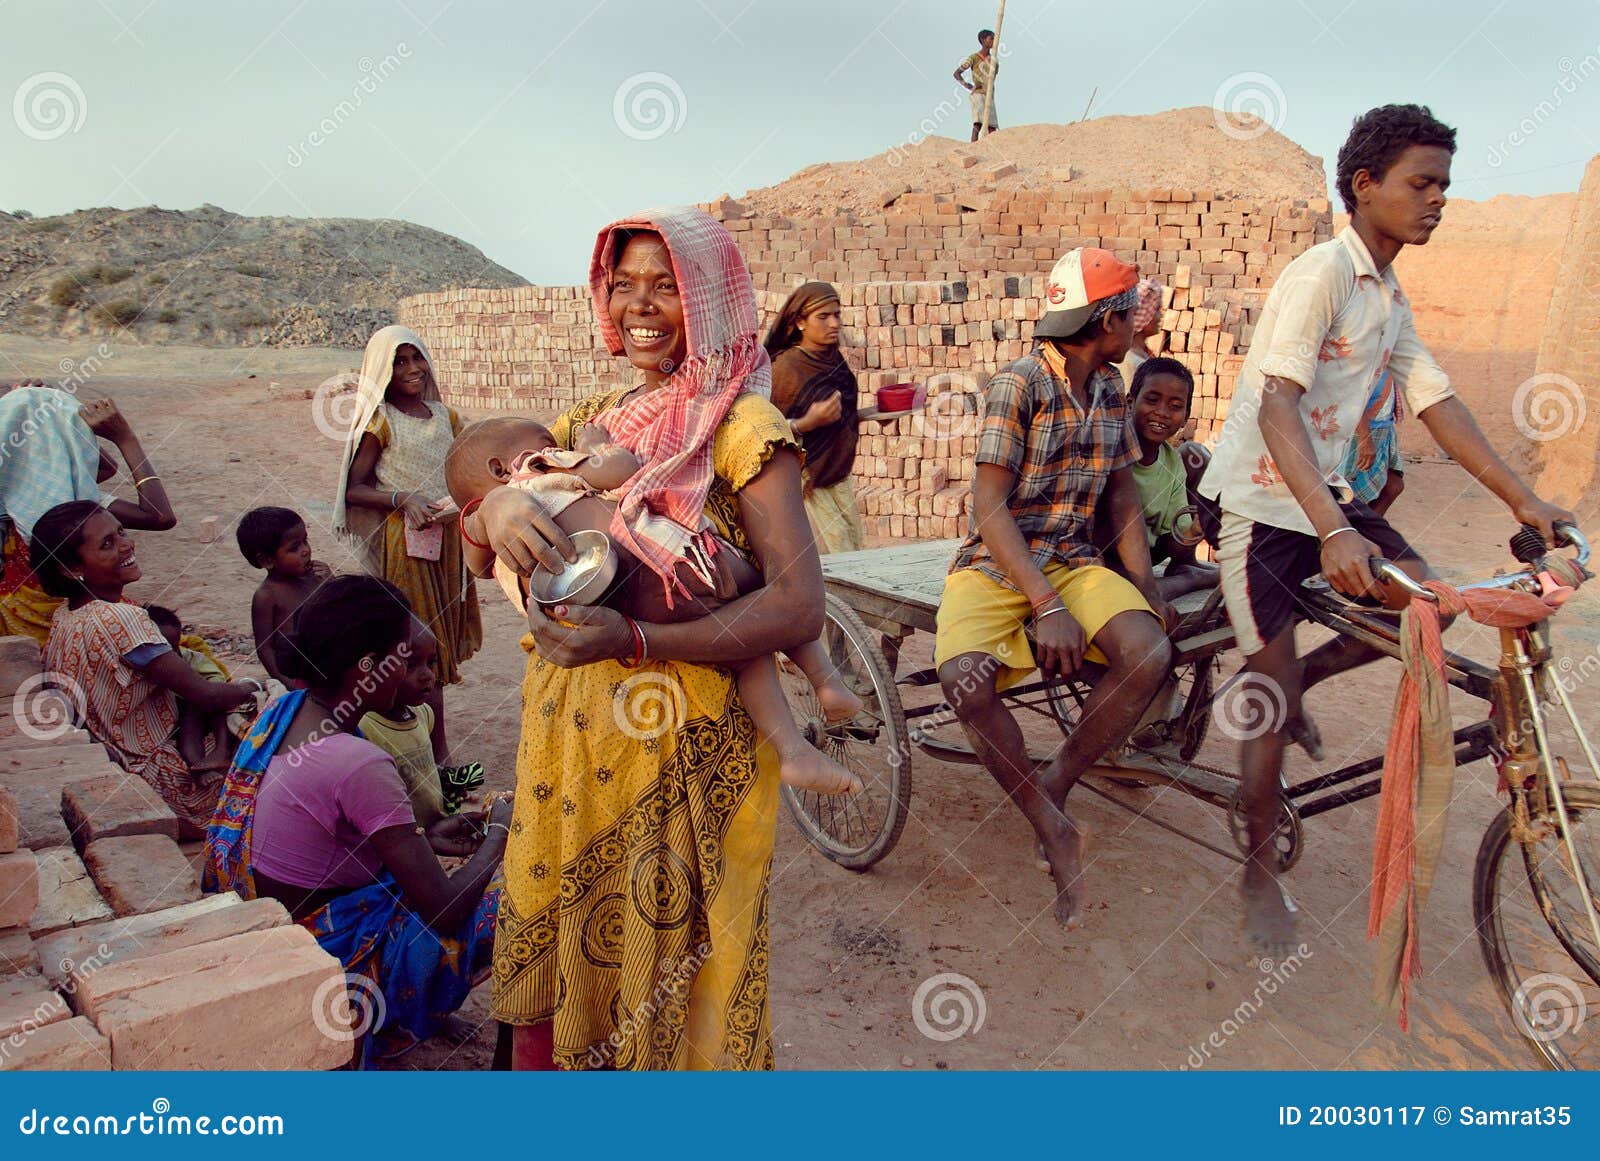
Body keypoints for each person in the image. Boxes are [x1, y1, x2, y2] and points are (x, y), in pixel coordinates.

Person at [1196, 104, 1574, 955]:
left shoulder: (1388, 294)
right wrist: (1333, 529)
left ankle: (1301, 686)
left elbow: (1437, 402)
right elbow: (1276, 400)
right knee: (1267, 689)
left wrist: (1524, 501)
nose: (1438, 198)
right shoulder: (1321, 274)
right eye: (1422, 182)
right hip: (1263, 506)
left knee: (1427, 609)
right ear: (1365, 186)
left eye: (1444, 183)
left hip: (1325, 497)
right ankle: (1257, 873)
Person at [462, 208, 824, 1070]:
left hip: (679, 748)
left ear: (709, 296)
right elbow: (487, 550)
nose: (640, 304)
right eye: (623, 283)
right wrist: (498, 504)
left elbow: (799, 608)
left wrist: (632, 636)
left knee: (671, 976)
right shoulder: (595, 418)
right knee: (562, 963)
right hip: (567, 742)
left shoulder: (746, 430)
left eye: (665, 283)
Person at [935, 247, 1175, 930]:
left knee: (1150, 651)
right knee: (963, 682)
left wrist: (1144, 580)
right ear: (1105, 320)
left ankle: (1057, 780)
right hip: (999, 561)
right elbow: (989, 507)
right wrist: (1046, 605)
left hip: (1073, 556)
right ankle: (1051, 822)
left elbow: (1123, 488)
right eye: (1131, 314)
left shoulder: (1110, 387)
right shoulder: (1020, 383)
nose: (1137, 326)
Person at [445, 415, 863, 795]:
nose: (553, 441)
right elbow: (620, 469)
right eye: (543, 440)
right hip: (659, 567)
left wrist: (483, 514)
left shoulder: (498, 543)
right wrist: (594, 450)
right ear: (503, 468)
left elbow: (475, 561)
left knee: (745, 648)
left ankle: (793, 751)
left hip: (611, 604)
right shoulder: (538, 465)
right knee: (756, 596)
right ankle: (824, 683)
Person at [206, 575, 505, 1067]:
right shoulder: (359, 762)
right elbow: (443, 910)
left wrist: (424, 839)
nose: (422, 675)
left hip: (271, 913)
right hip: (328, 947)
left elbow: (322, 834)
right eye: (404, 659)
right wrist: (500, 832)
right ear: (369, 665)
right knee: (526, 909)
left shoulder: (286, 709)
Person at [31, 502, 266, 831]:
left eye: (121, 532)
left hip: (126, 773)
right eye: (107, 544)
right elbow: (206, 695)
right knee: (281, 720)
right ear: (71, 569)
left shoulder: (64, 618)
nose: (126, 545)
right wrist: (257, 689)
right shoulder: (121, 618)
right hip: (168, 781)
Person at [334, 325, 482, 773]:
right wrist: (403, 499)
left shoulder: (447, 417)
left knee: (435, 649)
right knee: (420, 649)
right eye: (399, 362)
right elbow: (355, 489)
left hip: (448, 540)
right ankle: (437, 758)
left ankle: (423, 751)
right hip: (409, 544)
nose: (412, 369)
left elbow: (465, 470)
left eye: (416, 358)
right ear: (383, 369)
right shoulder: (381, 422)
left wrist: (458, 501)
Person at [1, 390, 174, 644]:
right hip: (91, 628)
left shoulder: (11, 506)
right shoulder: (77, 511)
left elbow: (103, 468)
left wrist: (35, 405)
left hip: (29, 633)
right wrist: (125, 438)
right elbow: (161, 517)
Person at [764, 281, 865, 555]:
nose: (834, 324)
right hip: (807, 488)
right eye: (823, 316)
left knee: (854, 555)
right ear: (800, 322)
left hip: (837, 481)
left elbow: (837, 417)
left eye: (837, 315)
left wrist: (874, 413)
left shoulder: (833, 360)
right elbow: (759, 431)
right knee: (835, 567)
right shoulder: (785, 369)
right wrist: (805, 424)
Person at [1126, 358, 1218, 600]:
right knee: (1137, 591)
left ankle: (1186, 572)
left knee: (1196, 454)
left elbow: (1174, 545)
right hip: (1110, 555)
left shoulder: (1171, 462)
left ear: (1186, 417)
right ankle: (1191, 579)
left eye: (1175, 406)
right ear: (1130, 402)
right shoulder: (1114, 451)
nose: (1162, 412)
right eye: (1152, 400)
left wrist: (1195, 530)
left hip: (1149, 552)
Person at [357, 617, 449, 828]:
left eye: (431, 662)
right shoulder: (366, 727)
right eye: (410, 664)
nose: (427, 675)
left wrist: (449, 780)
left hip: (432, 832)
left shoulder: (424, 714)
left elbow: (429, 766)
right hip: (397, 836)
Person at [238, 506, 333, 688]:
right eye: (294, 548)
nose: (305, 550)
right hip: (297, 675)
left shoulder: (315, 578)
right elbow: (265, 648)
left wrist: (332, 584)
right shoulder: (267, 596)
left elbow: (342, 612)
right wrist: (290, 685)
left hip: (329, 664)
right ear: (267, 560)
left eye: (305, 541)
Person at [146, 604, 237, 773]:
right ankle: (197, 766)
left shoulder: (190, 657)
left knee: (213, 704)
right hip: (170, 718)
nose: (173, 653)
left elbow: (216, 682)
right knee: (187, 730)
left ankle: (221, 750)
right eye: (166, 649)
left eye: (175, 646)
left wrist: (200, 691)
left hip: (200, 708)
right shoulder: (146, 665)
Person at [1337, 369, 1405, 514]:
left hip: (1382, 424)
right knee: (1345, 494)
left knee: (1393, 485)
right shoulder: (1364, 352)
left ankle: (1363, 531)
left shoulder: (1387, 349)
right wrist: (1364, 436)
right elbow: (1350, 394)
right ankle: (1348, 532)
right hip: (1359, 429)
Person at [1113, 278, 1164, 390]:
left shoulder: (1142, 353)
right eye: (1156, 310)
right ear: (1143, 315)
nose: (1160, 316)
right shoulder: (1128, 362)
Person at [954, 29, 999, 141]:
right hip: (978, 94)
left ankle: (989, 148)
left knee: (992, 126)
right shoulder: (974, 57)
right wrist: (967, 85)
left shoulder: (994, 61)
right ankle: (974, 146)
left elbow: (993, 78)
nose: (994, 41)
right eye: (991, 38)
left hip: (989, 95)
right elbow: (957, 73)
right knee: (978, 123)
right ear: (983, 40)